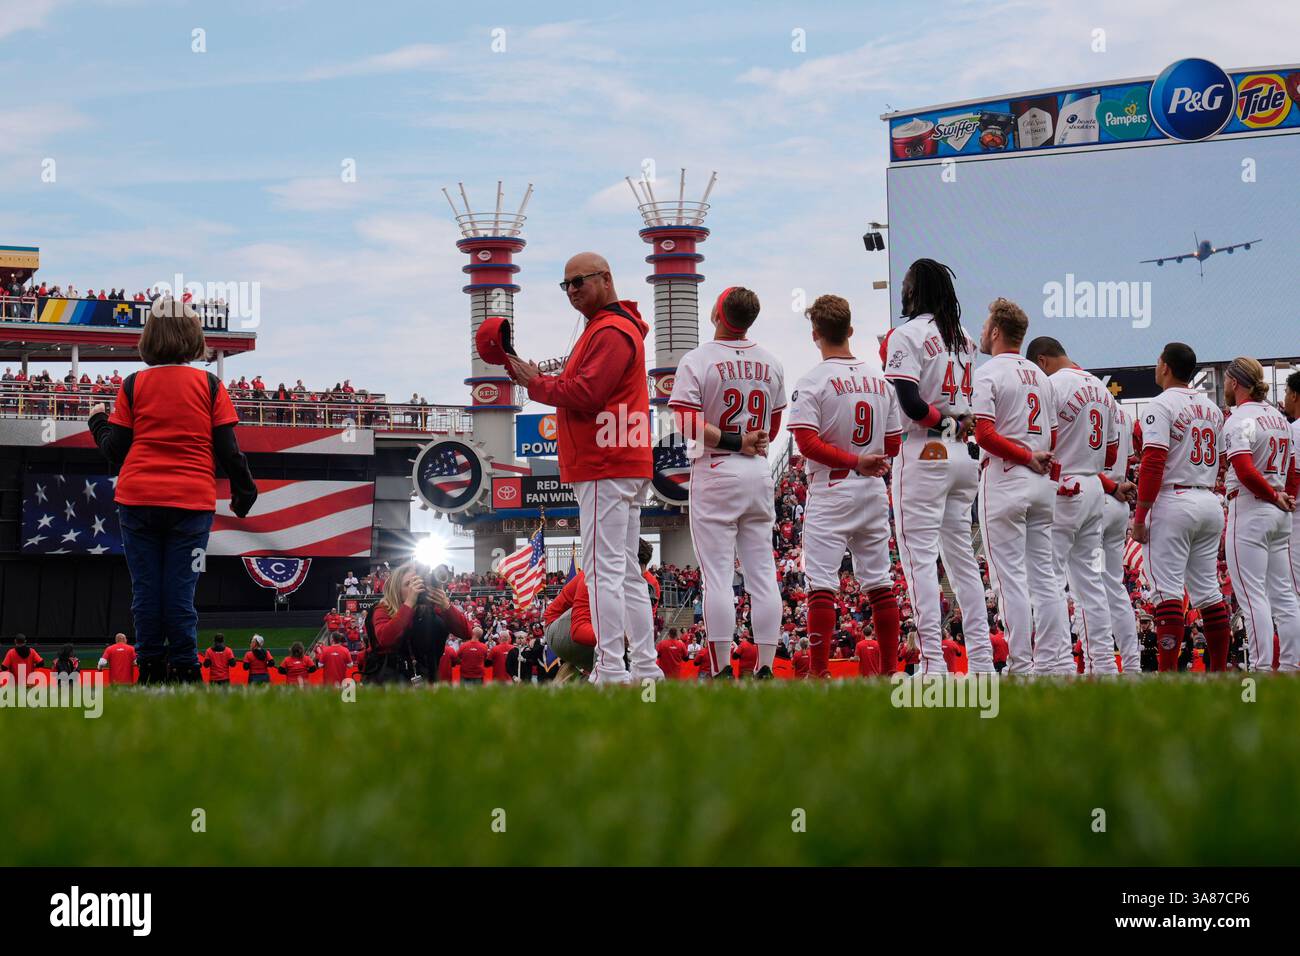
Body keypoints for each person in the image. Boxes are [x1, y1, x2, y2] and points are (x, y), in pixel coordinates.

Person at [504, 253, 657, 685]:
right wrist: (536, 378)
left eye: (579, 282)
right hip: (621, 457)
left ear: (605, 279)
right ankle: (645, 667)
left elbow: (587, 393)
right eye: (565, 285)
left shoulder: (609, 328)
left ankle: (610, 668)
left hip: (604, 463)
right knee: (626, 570)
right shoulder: (611, 327)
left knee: (602, 569)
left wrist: (534, 382)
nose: (571, 291)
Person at [88, 297, 257, 683]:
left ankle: (149, 669)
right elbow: (229, 449)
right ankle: (184, 668)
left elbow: (116, 452)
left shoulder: (132, 385)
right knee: (181, 589)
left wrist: (97, 421)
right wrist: (244, 492)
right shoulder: (211, 385)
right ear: (193, 337)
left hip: (137, 502)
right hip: (191, 504)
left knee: (146, 590)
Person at [881, 259, 994, 675]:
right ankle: (982, 660)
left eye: (907, 284)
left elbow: (910, 403)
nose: (904, 290)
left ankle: (933, 663)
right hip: (960, 454)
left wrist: (945, 421)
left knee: (920, 560)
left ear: (917, 290)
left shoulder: (906, 334)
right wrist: (954, 422)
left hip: (925, 449)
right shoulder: (963, 336)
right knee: (962, 560)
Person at [668, 285, 786, 679]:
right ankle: (766, 667)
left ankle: (721, 670)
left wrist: (735, 440)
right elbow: (772, 426)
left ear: (718, 312)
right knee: (763, 574)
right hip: (757, 471)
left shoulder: (698, 358)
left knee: (717, 576)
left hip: (718, 466)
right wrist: (750, 443)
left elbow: (685, 421)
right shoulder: (771, 361)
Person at [789, 294, 902, 680]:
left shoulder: (813, 381)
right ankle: (889, 671)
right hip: (870, 488)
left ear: (815, 334)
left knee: (822, 583)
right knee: (880, 583)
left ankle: (819, 673)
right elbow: (894, 444)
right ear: (850, 330)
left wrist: (853, 459)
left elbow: (805, 443)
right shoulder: (879, 380)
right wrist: (864, 457)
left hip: (832, 487)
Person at [971, 298, 1072, 675]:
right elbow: (1055, 436)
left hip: (1007, 475)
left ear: (997, 331)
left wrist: (1025, 456)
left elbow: (984, 434)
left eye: (985, 325)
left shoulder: (987, 373)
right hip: (1040, 480)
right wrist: (1034, 456)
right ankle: (1055, 663)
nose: (982, 331)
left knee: (1010, 580)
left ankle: (1021, 665)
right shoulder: (1041, 377)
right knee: (1045, 578)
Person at [1026, 335, 1129, 675]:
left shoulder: (1052, 384)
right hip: (1094, 487)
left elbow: (1038, 438)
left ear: (1042, 361)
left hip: (1063, 486)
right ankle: (1103, 665)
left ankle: (1053, 664)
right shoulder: (1101, 389)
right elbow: (1112, 452)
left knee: (1049, 579)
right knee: (1091, 582)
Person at [1131, 343, 1228, 672]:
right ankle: (1218, 674)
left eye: (1158, 362)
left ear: (1166, 367)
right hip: (1209, 499)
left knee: (1167, 593)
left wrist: (1141, 515)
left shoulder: (1159, 404)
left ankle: (1168, 676)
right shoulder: (1213, 408)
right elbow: (1224, 460)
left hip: (1174, 500)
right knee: (1209, 592)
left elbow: (1154, 460)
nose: (1156, 367)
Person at [1220, 357, 1298, 672]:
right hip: (1279, 512)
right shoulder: (1280, 419)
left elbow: (1244, 468)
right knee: (1284, 595)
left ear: (1236, 382)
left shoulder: (1239, 418)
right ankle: (1292, 667)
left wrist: (1273, 494)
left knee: (1253, 598)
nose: (1225, 384)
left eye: (1226, 379)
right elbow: (1293, 470)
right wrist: (1285, 496)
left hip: (1252, 506)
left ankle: (1263, 670)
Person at [367, 563, 470, 683]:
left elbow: (466, 633)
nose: (415, 588)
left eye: (418, 583)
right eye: (408, 584)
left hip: (426, 678)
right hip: (391, 681)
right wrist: (409, 603)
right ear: (396, 590)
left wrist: (445, 606)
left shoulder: (431, 609)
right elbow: (386, 639)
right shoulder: (383, 609)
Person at [1099, 403, 1142, 674]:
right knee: (1114, 587)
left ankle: (1101, 663)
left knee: (1086, 587)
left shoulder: (1077, 397)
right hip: (1117, 502)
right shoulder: (1124, 414)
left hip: (1097, 500)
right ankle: (1132, 664)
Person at [544, 571, 596, 680]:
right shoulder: (593, 574)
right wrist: (613, 637)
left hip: (580, 628)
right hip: (556, 626)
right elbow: (579, 629)